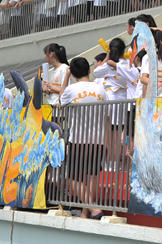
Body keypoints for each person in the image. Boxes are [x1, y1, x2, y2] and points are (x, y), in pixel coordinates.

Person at [59, 56, 106, 220]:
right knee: (91, 177)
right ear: (89, 70)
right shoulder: (100, 89)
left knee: (73, 178)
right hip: (98, 139)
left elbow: (61, 100)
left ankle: (94, 209)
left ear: (72, 73)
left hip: (79, 139)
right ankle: (86, 214)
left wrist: (66, 77)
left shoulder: (71, 89)